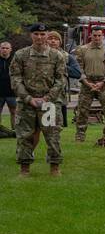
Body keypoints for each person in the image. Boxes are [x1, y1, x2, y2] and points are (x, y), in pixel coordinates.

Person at [11, 23, 66, 177]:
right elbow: (16, 79)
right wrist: (28, 98)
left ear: (47, 35)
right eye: (36, 34)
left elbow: (60, 80)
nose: (40, 37)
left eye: (43, 34)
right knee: (25, 136)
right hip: (27, 103)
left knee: (52, 135)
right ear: (31, 35)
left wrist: (47, 98)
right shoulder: (21, 55)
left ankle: (55, 168)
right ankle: (24, 169)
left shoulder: (57, 56)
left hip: (49, 103)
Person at [73, 28, 105, 146]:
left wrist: (103, 82)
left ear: (102, 36)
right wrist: (86, 81)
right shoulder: (82, 49)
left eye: (99, 35)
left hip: (104, 83)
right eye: (95, 35)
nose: (97, 38)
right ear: (91, 36)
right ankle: (80, 135)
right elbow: (78, 67)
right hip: (87, 83)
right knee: (82, 110)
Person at [0, 40, 16, 134]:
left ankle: (14, 129)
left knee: (14, 112)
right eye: (2, 48)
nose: (4, 50)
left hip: (12, 91)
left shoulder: (14, 61)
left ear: (10, 49)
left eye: (7, 48)